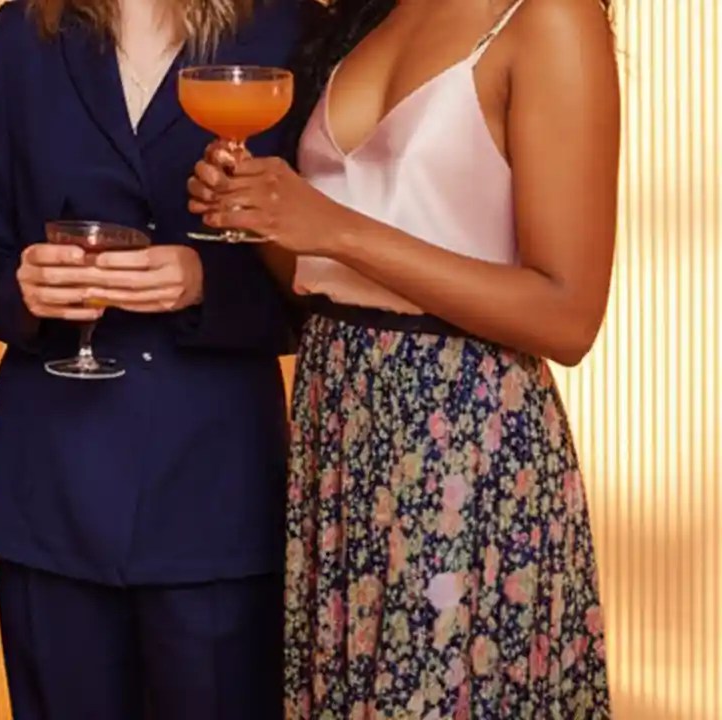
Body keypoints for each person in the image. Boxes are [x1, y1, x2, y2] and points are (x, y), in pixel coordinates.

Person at [189, 0, 617, 716]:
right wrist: (260, 214)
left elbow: (568, 315)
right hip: (341, 428)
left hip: (464, 442)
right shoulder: (368, 16)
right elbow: (325, 281)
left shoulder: (548, 17)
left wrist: (336, 228)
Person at [0, 0, 316, 717]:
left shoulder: (289, 28)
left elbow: (327, 277)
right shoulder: (23, 30)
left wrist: (207, 282)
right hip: (49, 482)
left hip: (217, 485)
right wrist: (23, 290)